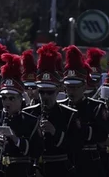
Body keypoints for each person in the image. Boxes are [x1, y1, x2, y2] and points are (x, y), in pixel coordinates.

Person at [0, 54, 41, 176]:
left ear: (20, 99)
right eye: (4, 98)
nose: (7, 102)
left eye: (11, 98)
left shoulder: (31, 121)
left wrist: (16, 139)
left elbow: (37, 151)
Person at [22, 42, 75, 177]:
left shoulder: (68, 114)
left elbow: (75, 146)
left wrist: (54, 132)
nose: (45, 96)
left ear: (58, 90)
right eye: (41, 92)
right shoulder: (29, 112)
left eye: (49, 92)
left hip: (59, 170)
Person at [61, 44, 107, 173]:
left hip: (89, 164)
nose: (72, 91)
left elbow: (102, 135)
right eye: (69, 87)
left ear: (84, 86)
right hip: (66, 163)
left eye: (75, 87)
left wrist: (80, 128)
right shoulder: (60, 107)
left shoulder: (96, 107)